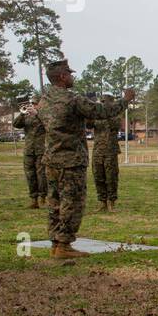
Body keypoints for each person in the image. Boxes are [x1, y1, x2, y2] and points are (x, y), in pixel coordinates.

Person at [35, 59, 134, 259]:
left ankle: (55, 243)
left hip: (51, 159)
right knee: (72, 203)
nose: (72, 76)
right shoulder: (72, 99)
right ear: (62, 77)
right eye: (69, 74)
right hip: (71, 160)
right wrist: (125, 100)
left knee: (54, 202)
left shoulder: (43, 101)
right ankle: (64, 245)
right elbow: (102, 112)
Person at [13, 93, 48, 209]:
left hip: (41, 149)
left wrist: (37, 114)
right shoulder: (26, 115)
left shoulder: (44, 115)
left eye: (35, 104)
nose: (32, 105)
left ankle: (43, 198)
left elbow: (49, 124)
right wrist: (22, 114)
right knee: (30, 175)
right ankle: (33, 199)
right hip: (29, 150)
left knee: (42, 175)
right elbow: (16, 124)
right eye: (31, 103)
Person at [90, 93, 121, 212]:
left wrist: (106, 113)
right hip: (98, 150)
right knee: (98, 176)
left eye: (105, 102)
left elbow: (115, 125)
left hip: (110, 150)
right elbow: (88, 125)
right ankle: (102, 202)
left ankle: (111, 202)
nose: (102, 104)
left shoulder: (115, 116)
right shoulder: (97, 116)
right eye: (101, 102)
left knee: (111, 177)